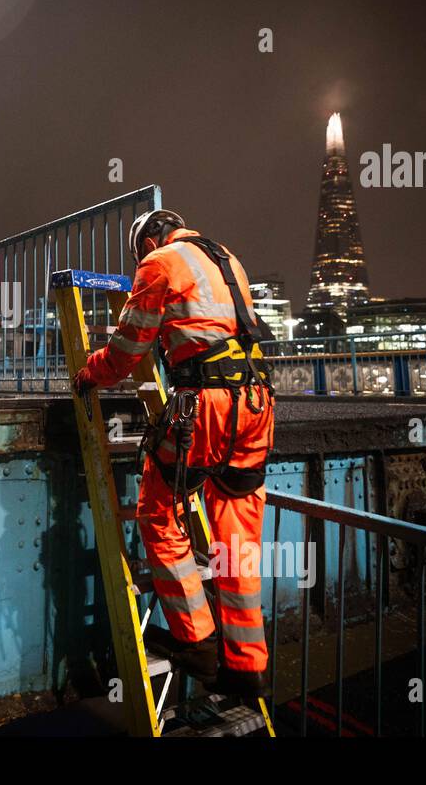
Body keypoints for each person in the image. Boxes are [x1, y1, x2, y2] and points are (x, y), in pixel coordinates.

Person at [72, 209, 276, 695]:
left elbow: (126, 353)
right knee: (238, 538)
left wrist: (88, 374)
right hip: (258, 403)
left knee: (157, 512)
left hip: (207, 407)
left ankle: (198, 642)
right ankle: (249, 667)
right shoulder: (227, 258)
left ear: (145, 242)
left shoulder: (159, 262)